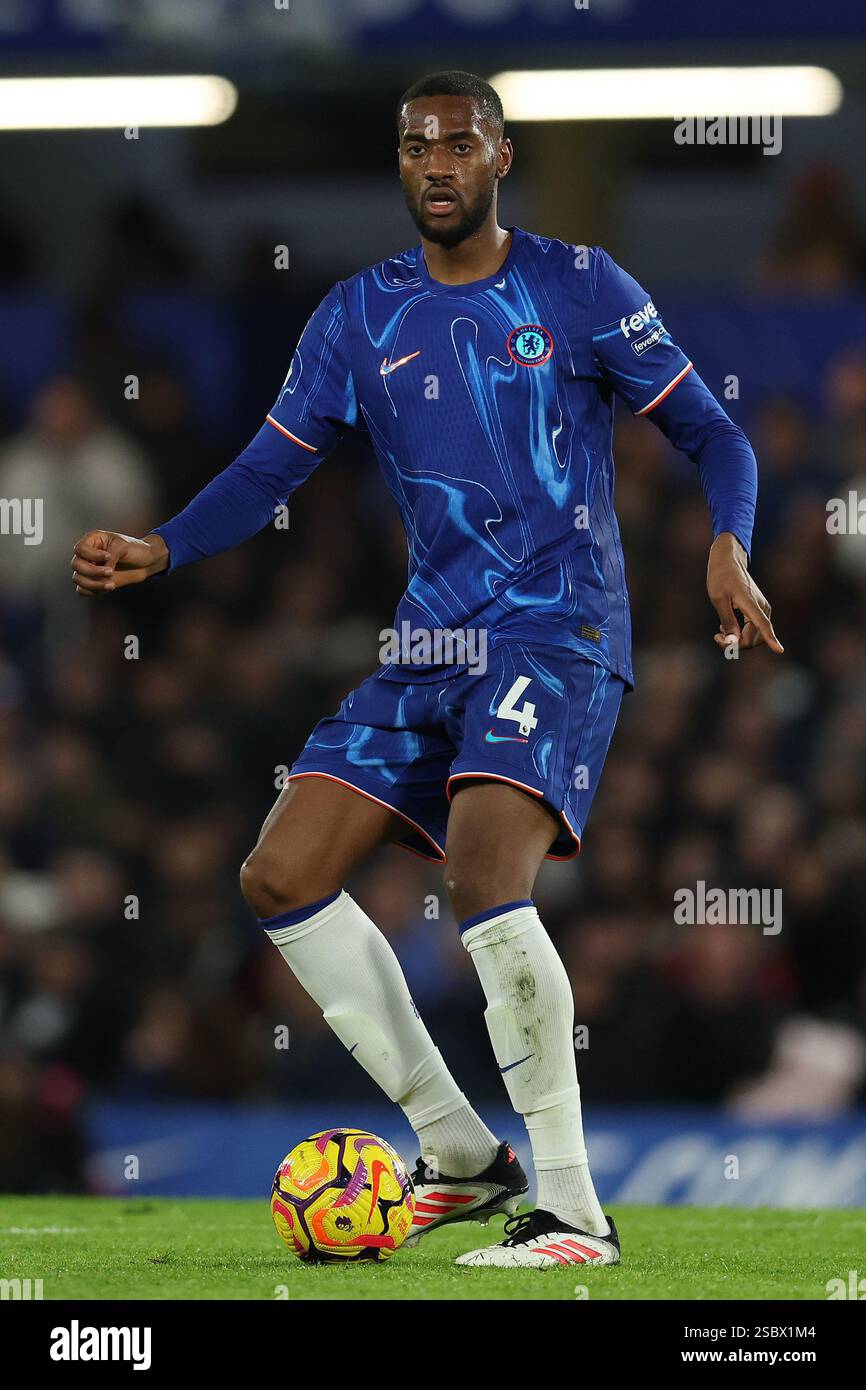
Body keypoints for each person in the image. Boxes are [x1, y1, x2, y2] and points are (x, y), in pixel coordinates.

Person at [71, 71, 782, 1269]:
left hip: (557, 634)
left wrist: (727, 543)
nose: (436, 163)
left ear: (500, 158)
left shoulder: (578, 285)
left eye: (459, 144)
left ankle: (570, 1210)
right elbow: (266, 469)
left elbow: (714, 430)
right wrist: (162, 544)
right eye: (414, 146)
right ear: (398, 165)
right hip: (430, 644)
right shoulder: (357, 316)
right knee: (278, 872)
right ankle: (456, 1150)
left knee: (485, 879)